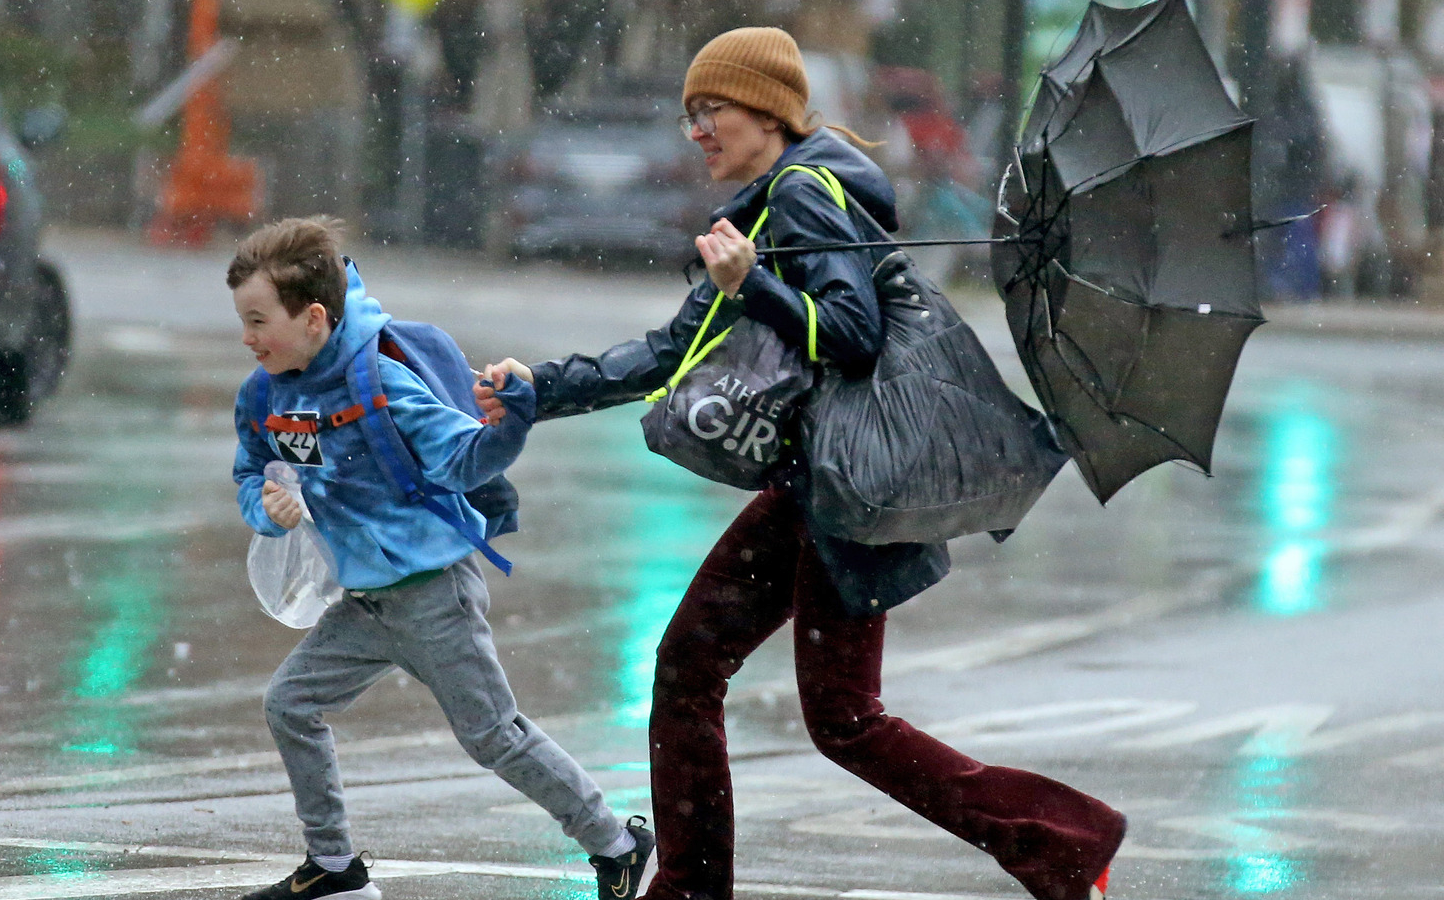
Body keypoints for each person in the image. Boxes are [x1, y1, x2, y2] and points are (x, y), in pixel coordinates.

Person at [475, 27, 1125, 900]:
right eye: (691, 116)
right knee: (712, 675)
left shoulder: (801, 196)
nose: (697, 131)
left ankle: (1062, 836)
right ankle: (1053, 840)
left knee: (824, 712)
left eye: (711, 111)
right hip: (818, 487)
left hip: (845, 484)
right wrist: (541, 387)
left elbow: (851, 335)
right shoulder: (767, 207)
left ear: (766, 112)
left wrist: (756, 286)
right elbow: (672, 352)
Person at [227, 217, 654, 900]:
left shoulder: (380, 383)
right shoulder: (264, 394)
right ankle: (334, 869)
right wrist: (264, 506)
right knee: (290, 705)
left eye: (258, 321)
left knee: (494, 737)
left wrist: (512, 420)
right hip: (365, 605)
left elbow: (463, 458)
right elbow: (252, 469)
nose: (247, 338)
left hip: (435, 597)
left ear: (312, 318)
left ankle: (617, 844)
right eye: (242, 321)